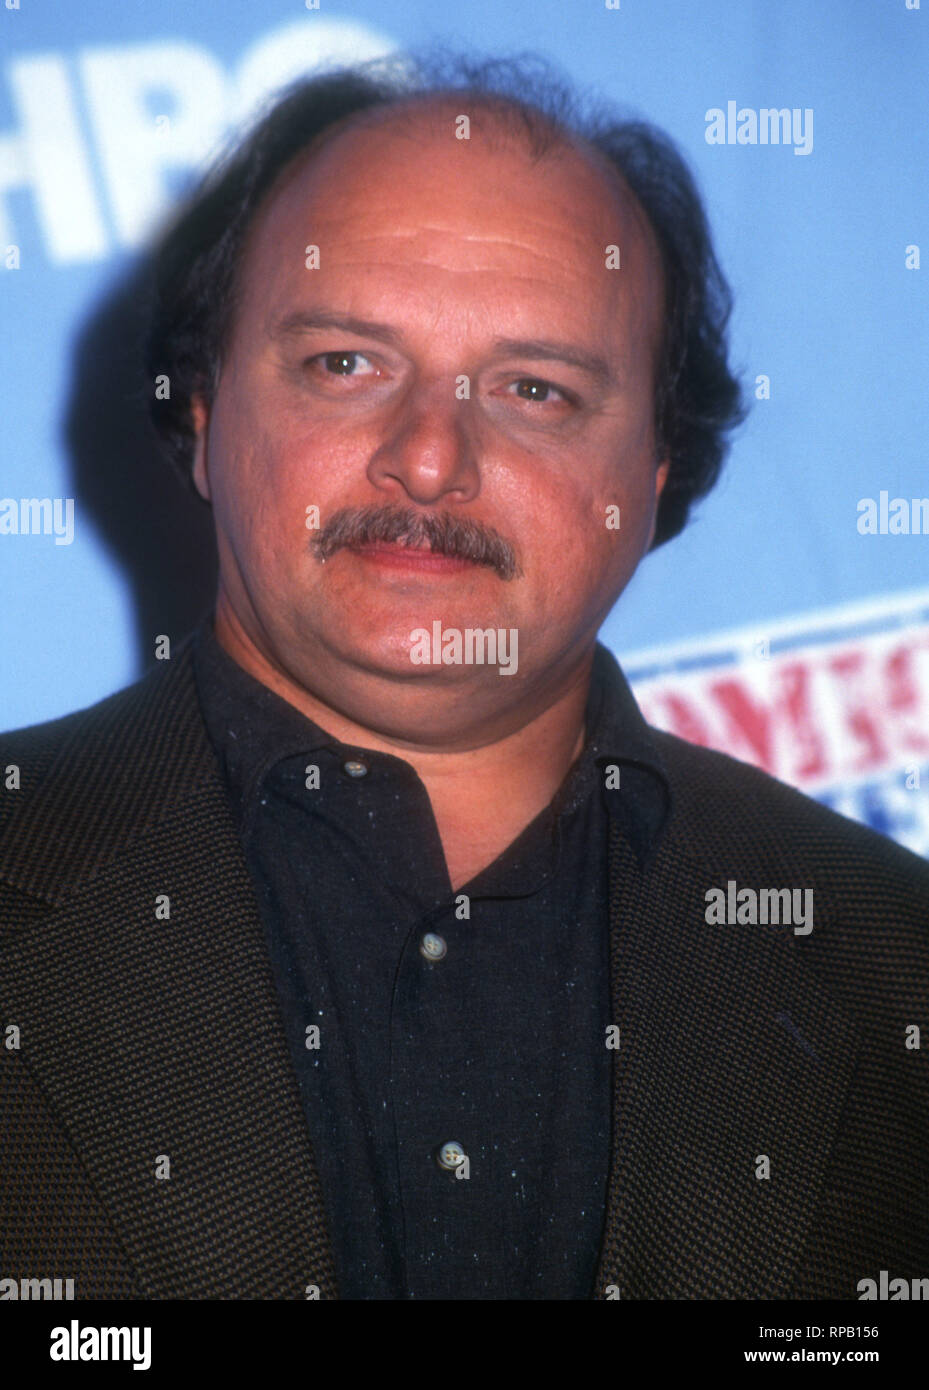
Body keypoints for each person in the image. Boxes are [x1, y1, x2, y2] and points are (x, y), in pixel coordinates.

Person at [1, 56, 926, 1302]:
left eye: (534, 389)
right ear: (206, 412)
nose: (430, 459)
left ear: (652, 477)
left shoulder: (892, 959)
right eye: (345, 363)